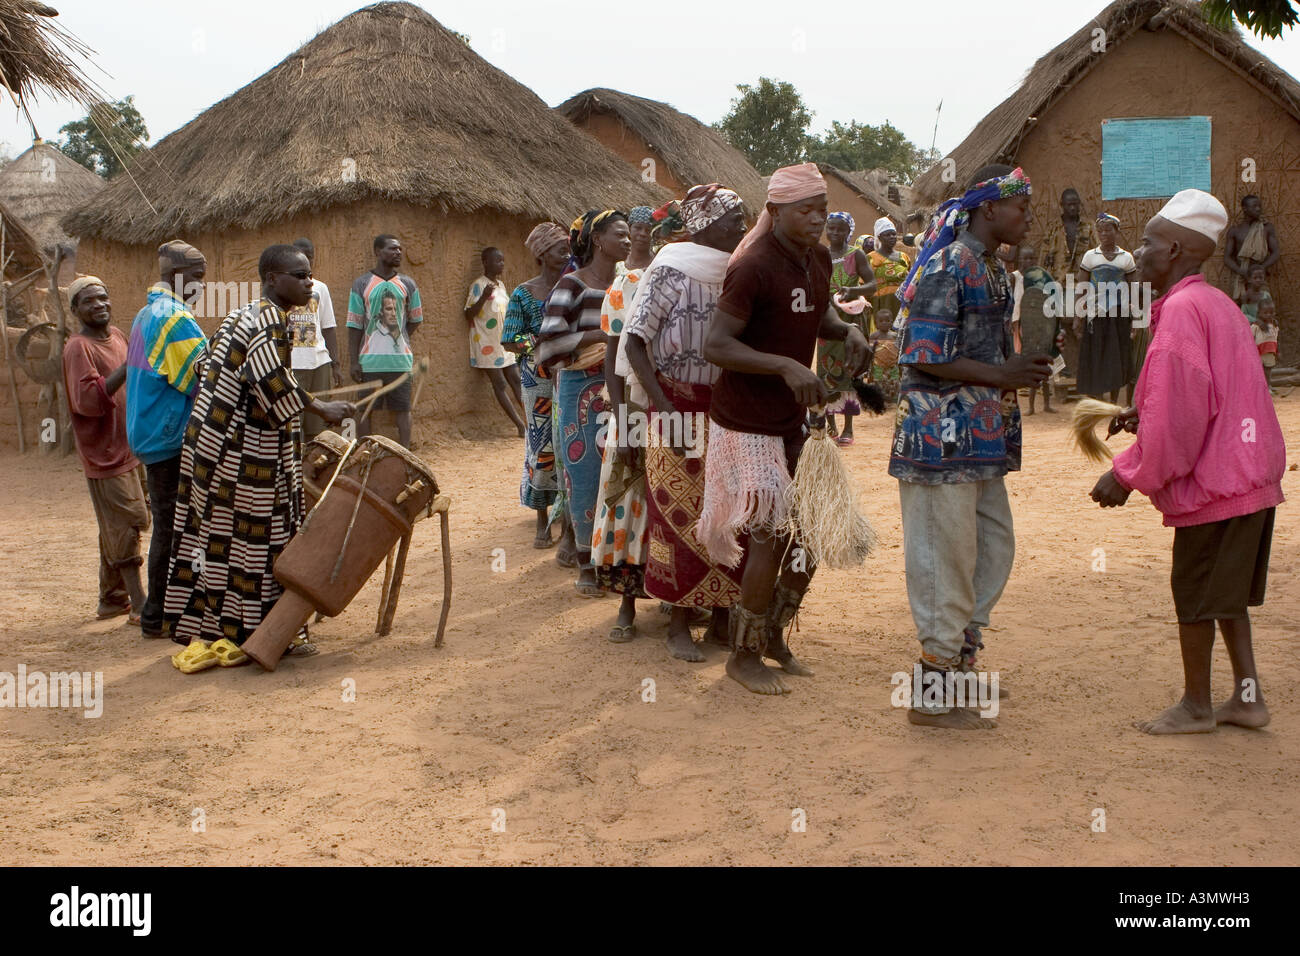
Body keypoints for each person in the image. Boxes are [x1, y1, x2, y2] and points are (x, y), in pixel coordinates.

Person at [1090, 189, 1285, 735]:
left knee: (1197, 593)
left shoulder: (1179, 311)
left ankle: (1197, 705)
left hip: (1218, 483)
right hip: (1250, 475)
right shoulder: (1216, 303)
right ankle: (1247, 699)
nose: (1141, 250)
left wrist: (1126, 473)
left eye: (1148, 242)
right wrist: (1140, 407)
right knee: (1226, 597)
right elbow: (1208, 388)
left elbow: (1180, 419)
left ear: (1173, 249)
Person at [699, 163, 872, 695]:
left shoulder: (818, 259)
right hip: (746, 421)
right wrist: (783, 365)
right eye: (807, 210)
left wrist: (846, 329)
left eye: (822, 208)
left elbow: (816, 318)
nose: (818, 219)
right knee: (771, 534)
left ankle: (773, 633)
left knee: (817, 527)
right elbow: (716, 345)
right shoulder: (751, 266)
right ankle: (742, 656)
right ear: (774, 213)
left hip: (791, 420)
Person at [891, 164, 1050, 729]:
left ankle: (959, 663)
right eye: (1021, 207)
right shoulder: (948, 264)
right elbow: (921, 354)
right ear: (989, 210)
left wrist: (1010, 374)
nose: (1028, 216)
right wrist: (1004, 374)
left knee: (989, 546)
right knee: (943, 556)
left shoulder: (992, 268)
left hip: (977, 438)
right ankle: (932, 691)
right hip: (939, 441)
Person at [165, 245, 355, 671]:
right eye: (300, 275)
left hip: (207, 445)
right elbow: (268, 378)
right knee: (256, 536)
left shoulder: (242, 313)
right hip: (241, 454)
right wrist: (322, 408)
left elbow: (203, 365)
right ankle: (258, 632)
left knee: (216, 538)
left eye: (311, 275)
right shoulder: (270, 320)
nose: (309, 283)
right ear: (272, 279)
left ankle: (218, 628)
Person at [624, 185, 748, 661]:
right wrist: (665, 408)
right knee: (677, 512)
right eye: (732, 217)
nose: (741, 225)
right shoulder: (672, 268)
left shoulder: (738, 270)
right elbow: (635, 343)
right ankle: (677, 621)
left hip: (730, 410)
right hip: (675, 406)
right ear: (705, 223)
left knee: (727, 510)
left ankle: (720, 619)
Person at [536, 210, 630, 597]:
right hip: (582, 390)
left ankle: (618, 560)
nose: (626, 241)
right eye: (619, 234)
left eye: (629, 235)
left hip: (624, 386)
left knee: (623, 472)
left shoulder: (628, 282)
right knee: (585, 473)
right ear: (598, 240)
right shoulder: (571, 286)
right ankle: (587, 564)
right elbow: (547, 345)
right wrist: (600, 335)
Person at [126, 240, 208, 639]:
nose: (202, 286)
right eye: (197, 278)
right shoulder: (174, 318)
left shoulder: (146, 313)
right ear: (177, 276)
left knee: (166, 522)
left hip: (150, 432)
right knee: (172, 525)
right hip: (168, 436)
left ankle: (158, 612)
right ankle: (158, 614)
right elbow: (202, 378)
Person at [63, 276, 149, 626]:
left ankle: (111, 599)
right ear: (75, 310)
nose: (99, 305)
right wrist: (128, 366)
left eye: (103, 297)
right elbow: (87, 400)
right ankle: (141, 603)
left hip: (129, 444)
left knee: (113, 524)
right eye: (89, 301)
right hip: (104, 452)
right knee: (129, 523)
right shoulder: (77, 348)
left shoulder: (116, 336)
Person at [589, 207, 656, 637]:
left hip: (670, 403)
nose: (642, 236)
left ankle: (673, 595)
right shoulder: (622, 284)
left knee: (663, 498)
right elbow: (613, 355)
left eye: (650, 229)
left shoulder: (669, 273)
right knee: (627, 496)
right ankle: (627, 605)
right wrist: (620, 411)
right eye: (636, 229)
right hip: (633, 404)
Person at [503, 223, 570, 549]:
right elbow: (509, 339)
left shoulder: (572, 287)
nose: (567, 254)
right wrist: (542, 342)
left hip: (569, 373)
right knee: (542, 444)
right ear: (543, 255)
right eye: (560, 249)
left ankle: (568, 519)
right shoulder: (523, 293)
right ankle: (542, 517)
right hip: (537, 377)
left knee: (567, 442)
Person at [347, 235, 421, 448]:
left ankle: (405, 454)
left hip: (400, 361)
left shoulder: (408, 284)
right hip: (370, 361)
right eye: (392, 249)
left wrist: (401, 339)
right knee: (365, 409)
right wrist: (354, 361)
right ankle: (364, 451)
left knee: (403, 408)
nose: (398, 252)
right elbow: (354, 324)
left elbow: (415, 318)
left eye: (400, 249)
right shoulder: (362, 284)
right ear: (378, 252)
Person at [817, 211, 875, 445]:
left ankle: (848, 428)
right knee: (826, 371)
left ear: (848, 231)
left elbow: (871, 285)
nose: (834, 233)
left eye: (839, 229)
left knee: (849, 371)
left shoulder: (856, 255)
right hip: (826, 322)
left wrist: (855, 292)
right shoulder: (820, 254)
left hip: (850, 321)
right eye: (830, 228)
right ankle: (830, 425)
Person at [1074, 213, 1137, 403]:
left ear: (1117, 231)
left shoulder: (1126, 258)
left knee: (1116, 358)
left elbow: (1133, 290)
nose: (1104, 234)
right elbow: (1081, 287)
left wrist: (1135, 318)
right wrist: (1078, 316)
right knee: (1098, 356)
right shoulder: (1090, 257)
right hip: (1096, 315)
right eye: (1100, 230)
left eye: (1108, 230)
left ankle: (1114, 402)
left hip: (1119, 316)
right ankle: (1099, 402)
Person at [465, 247, 526, 437]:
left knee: (516, 379)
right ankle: (519, 425)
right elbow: (468, 313)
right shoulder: (478, 285)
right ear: (485, 262)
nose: (501, 264)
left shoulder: (500, 285)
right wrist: (483, 296)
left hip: (503, 343)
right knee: (500, 384)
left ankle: (531, 420)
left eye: (502, 260)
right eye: (497, 260)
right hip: (486, 344)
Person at [287, 238, 342, 441]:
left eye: (309, 257)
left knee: (316, 424)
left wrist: (335, 364)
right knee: (293, 420)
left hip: (319, 362)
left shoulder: (320, 288)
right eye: (300, 256)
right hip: (293, 363)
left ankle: (311, 467)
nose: (305, 260)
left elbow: (328, 327)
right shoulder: (285, 289)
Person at [1011, 244, 1057, 414]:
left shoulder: (1042, 277)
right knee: (1026, 361)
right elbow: (1010, 301)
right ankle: (1029, 406)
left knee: (1042, 362)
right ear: (1020, 260)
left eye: (1032, 258)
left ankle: (1046, 404)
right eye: (1025, 258)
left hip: (1040, 324)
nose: (1029, 261)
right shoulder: (1014, 277)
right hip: (1020, 324)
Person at [1224, 195, 1280, 302]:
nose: (1258, 209)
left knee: (1263, 306)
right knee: (1242, 307)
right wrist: (1241, 271)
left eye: (1259, 206)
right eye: (1254, 206)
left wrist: (1261, 268)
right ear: (1245, 208)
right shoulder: (1235, 231)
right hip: (1241, 277)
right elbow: (1227, 257)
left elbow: (1276, 252)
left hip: (1260, 277)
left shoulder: (1266, 228)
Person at [1041, 187, 1095, 277]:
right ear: (1062, 205)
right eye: (1069, 205)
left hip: (1082, 279)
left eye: (1075, 204)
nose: (1072, 208)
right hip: (1058, 280)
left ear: (1079, 204)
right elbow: (1044, 254)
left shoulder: (1089, 226)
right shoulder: (1053, 227)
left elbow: (1097, 250)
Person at [868, 217, 910, 320]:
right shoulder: (871, 258)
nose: (892, 237)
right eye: (887, 235)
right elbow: (864, 282)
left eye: (894, 234)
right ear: (879, 237)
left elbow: (911, 280)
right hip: (881, 304)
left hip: (902, 303)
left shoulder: (904, 257)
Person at [1255, 297, 1280, 393]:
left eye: (1271, 313)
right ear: (1259, 313)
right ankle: (1260, 388)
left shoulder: (1274, 325)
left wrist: (1278, 351)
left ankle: (1268, 386)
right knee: (1259, 371)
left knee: (1268, 370)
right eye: (1265, 313)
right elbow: (1250, 338)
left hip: (1270, 352)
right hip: (1259, 353)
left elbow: (1276, 338)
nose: (1268, 315)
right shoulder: (1256, 326)